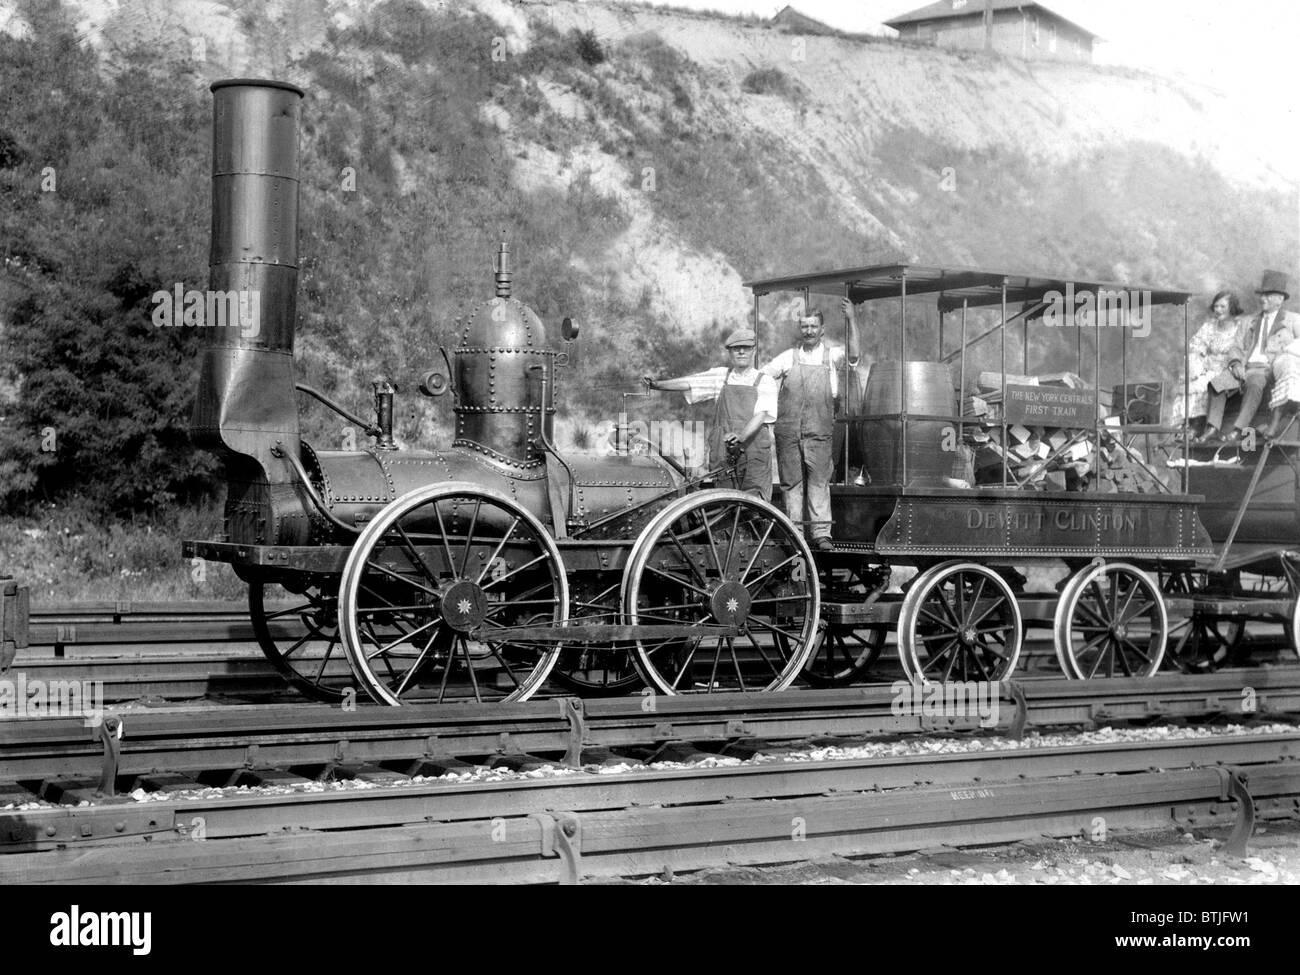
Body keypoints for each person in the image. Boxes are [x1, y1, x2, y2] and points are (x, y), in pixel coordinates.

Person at [760, 298, 861, 552]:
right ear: (800, 329)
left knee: (818, 483)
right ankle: (795, 533)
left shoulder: (832, 356)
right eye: (804, 326)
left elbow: (854, 355)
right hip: (789, 433)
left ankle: (821, 534)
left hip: (820, 432)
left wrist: (851, 319)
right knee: (792, 484)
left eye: (813, 326)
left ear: (822, 329)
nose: (809, 331)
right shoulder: (787, 358)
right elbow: (763, 377)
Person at [643, 328, 778, 500]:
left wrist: (741, 437)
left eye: (746, 347)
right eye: (736, 349)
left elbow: (761, 416)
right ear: (730, 352)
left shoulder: (765, 381)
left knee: (755, 500)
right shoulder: (721, 377)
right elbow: (689, 383)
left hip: (754, 449)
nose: (741, 352)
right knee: (724, 498)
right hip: (724, 450)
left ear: (754, 350)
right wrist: (657, 385)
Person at [1226, 270, 1300, 441]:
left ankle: (1239, 429)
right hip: (1244, 366)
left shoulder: (1293, 320)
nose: (1262, 299)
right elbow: (1235, 346)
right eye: (1262, 295)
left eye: (1268, 295)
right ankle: (1209, 429)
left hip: (1268, 369)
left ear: (1280, 299)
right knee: (1215, 385)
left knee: (1254, 382)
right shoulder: (1248, 321)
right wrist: (1236, 363)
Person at [1173, 291, 1242, 443]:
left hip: (1228, 370)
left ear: (1232, 307)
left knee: (1208, 382)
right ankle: (1188, 425)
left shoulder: (1240, 326)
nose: (1218, 310)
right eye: (1216, 306)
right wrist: (1198, 364)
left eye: (1223, 306)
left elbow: (1241, 351)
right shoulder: (1209, 326)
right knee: (1193, 380)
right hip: (1208, 367)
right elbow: (1197, 346)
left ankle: (1198, 426)